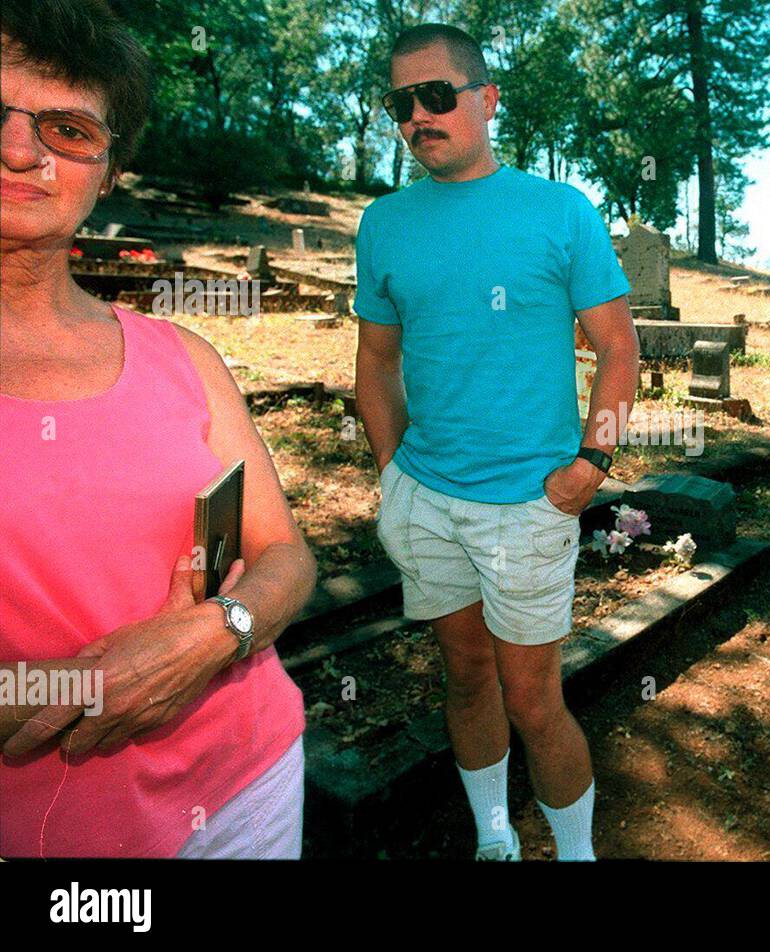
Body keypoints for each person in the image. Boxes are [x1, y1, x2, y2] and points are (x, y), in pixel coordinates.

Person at [0, 0, 315, 858]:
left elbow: (285, 555)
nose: (21, 151)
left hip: (250, 785)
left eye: (68, 130)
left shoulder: (182, 355)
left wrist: (219, 632)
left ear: (108, 172)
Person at [353, 24, 639, 861]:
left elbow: (619, 346)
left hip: (529, 504)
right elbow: (376, 359)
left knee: (533, 695)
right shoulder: (384, 222)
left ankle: (577, 853)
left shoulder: (559, 211)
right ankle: (491, 836)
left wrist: (596, 461)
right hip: (427, 500)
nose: (418, 116)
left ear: (487, 99)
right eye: (400, 103)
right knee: (466, 675)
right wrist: (390, 472)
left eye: (436, 95)